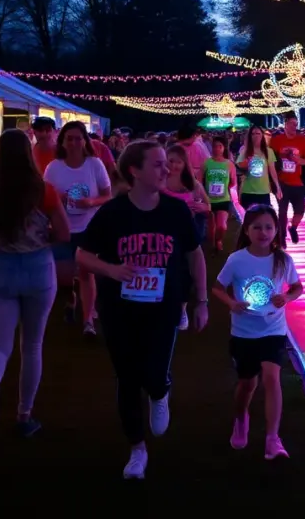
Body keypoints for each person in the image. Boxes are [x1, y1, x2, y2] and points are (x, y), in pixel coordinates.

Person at [76, 141, 208, 480]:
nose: (167, 170)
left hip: (163, 308)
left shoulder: (176, 211)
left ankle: (160, 390)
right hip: (119, 308)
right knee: (127, 378)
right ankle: (137, 449)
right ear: (134, 170)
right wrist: (112, 271)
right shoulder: (113, 213)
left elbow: (195, 255)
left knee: (152, 371)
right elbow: (83, 255)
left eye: (167, 164)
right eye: (158, 164)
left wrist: (202, 300)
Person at [0, 129, 71, 437]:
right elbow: (64, 234)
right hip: (38, 267)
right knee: (33, 345)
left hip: (0, 265)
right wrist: (40, 237)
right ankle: (24, 415)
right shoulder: (44, 190)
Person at [214, 205, 303, 459]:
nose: (263, 232)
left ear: (276, 230)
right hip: (244, 332)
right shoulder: (237, 260)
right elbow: (218, 288)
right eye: (257, 227)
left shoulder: (283, 260)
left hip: (273, 329)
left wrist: (286, 297)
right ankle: (241, 417)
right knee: (247, 384)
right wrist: (232, 304)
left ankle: (273, 439)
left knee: (272, 377)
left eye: (268, 227)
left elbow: (298, 287)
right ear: (247, 229)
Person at [44, 121, 112, 337]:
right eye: (69, 138)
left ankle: (88, 319)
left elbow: (107, 194)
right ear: (62, 142)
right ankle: (71, 297)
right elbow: (44, 198)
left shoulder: (94, 164)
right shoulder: (53, 168)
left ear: (85, 141)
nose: (74, 142)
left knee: (86, 272)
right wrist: (58, 199)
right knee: (64, 278)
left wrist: (91, 202)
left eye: (78, 138)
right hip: (62, 229)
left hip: (88, 229)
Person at [163, 145, 212, 331]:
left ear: (185, 164)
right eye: (171, 160)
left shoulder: (193, 185)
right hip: (163, 235)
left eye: (179, 161)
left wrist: (203, 209)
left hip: (186, 236)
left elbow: (208, 206)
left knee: (185, 272)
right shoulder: (159, 182)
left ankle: (183, 308)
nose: (174, 165)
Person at [270, 112, 305, 248]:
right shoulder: (276, 140)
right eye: (291, 124)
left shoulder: (302, 140)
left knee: (300, 211)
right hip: (281, 181)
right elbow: (271, 159)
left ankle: (293, 227)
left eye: (296, 124)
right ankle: (282, 237)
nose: (294, 127)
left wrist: (299, 160)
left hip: (297, 182)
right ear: (285, 124)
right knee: (282, 212)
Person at [236, 125, 282, 209]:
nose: (256, 136)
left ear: (262, 135)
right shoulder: (245, 150)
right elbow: (239, 166)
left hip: (263, 191)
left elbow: (272, 170)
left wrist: (277, 187)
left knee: (263, 217)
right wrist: (246, 163)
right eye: (253, 134)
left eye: (258, 133)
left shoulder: (268, 151)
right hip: (248, 190)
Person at [204, 137, 237, 252]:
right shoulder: (207, 162)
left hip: (223, 199)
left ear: (224, 148)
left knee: (222, 226)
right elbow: (199, 179)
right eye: (214, 146)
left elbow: (233, 181)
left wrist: (224, 188)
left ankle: (219, 240)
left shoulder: (229, 164)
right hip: (209, 200)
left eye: (220, 146)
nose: (217, 149)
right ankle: (212, 245)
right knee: (211, 228)